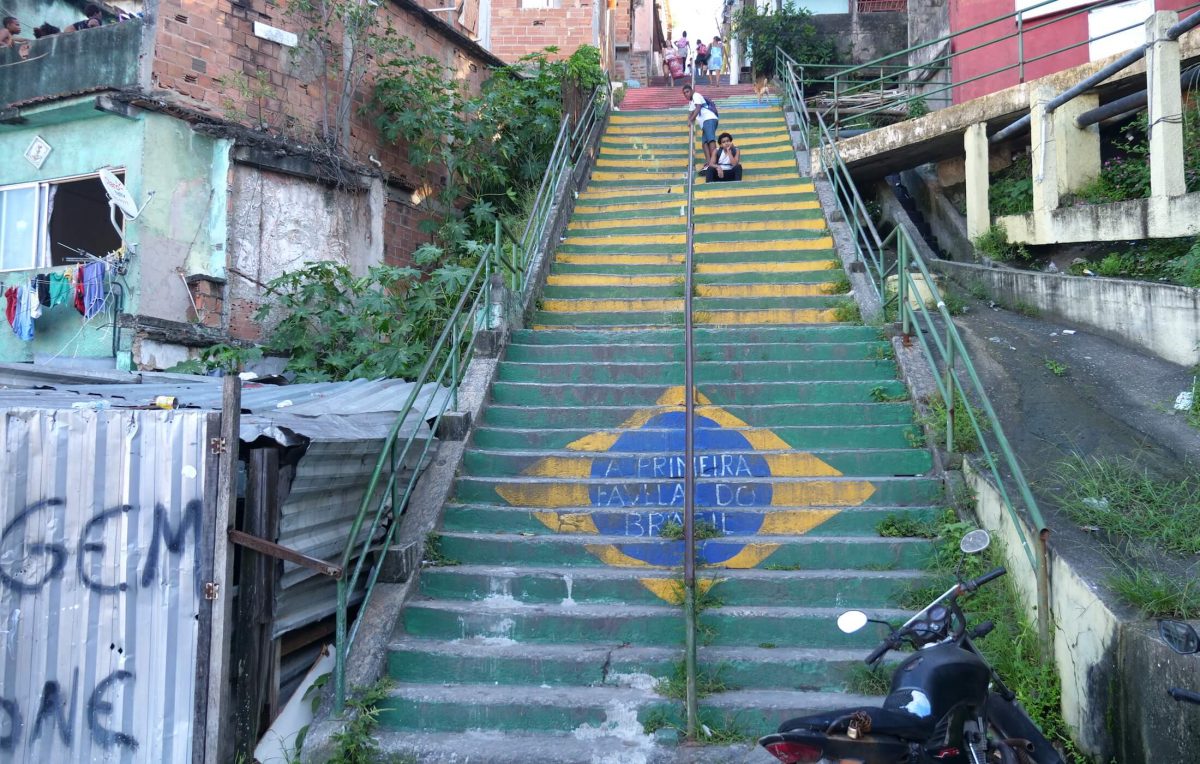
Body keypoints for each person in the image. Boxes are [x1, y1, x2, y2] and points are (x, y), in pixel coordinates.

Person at [683, 84, 719, 170]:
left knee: (710, 140)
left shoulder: (696, 95)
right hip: (705, 123)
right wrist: (689, 119)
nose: (686, 94)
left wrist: (691, 120)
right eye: (684, 93)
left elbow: (698, 108)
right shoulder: (692, 102)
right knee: (704, 143)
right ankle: (709, 162)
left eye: (687, 91)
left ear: (692, 91)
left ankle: (714, 161)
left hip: (709, 118)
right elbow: (691, 112)